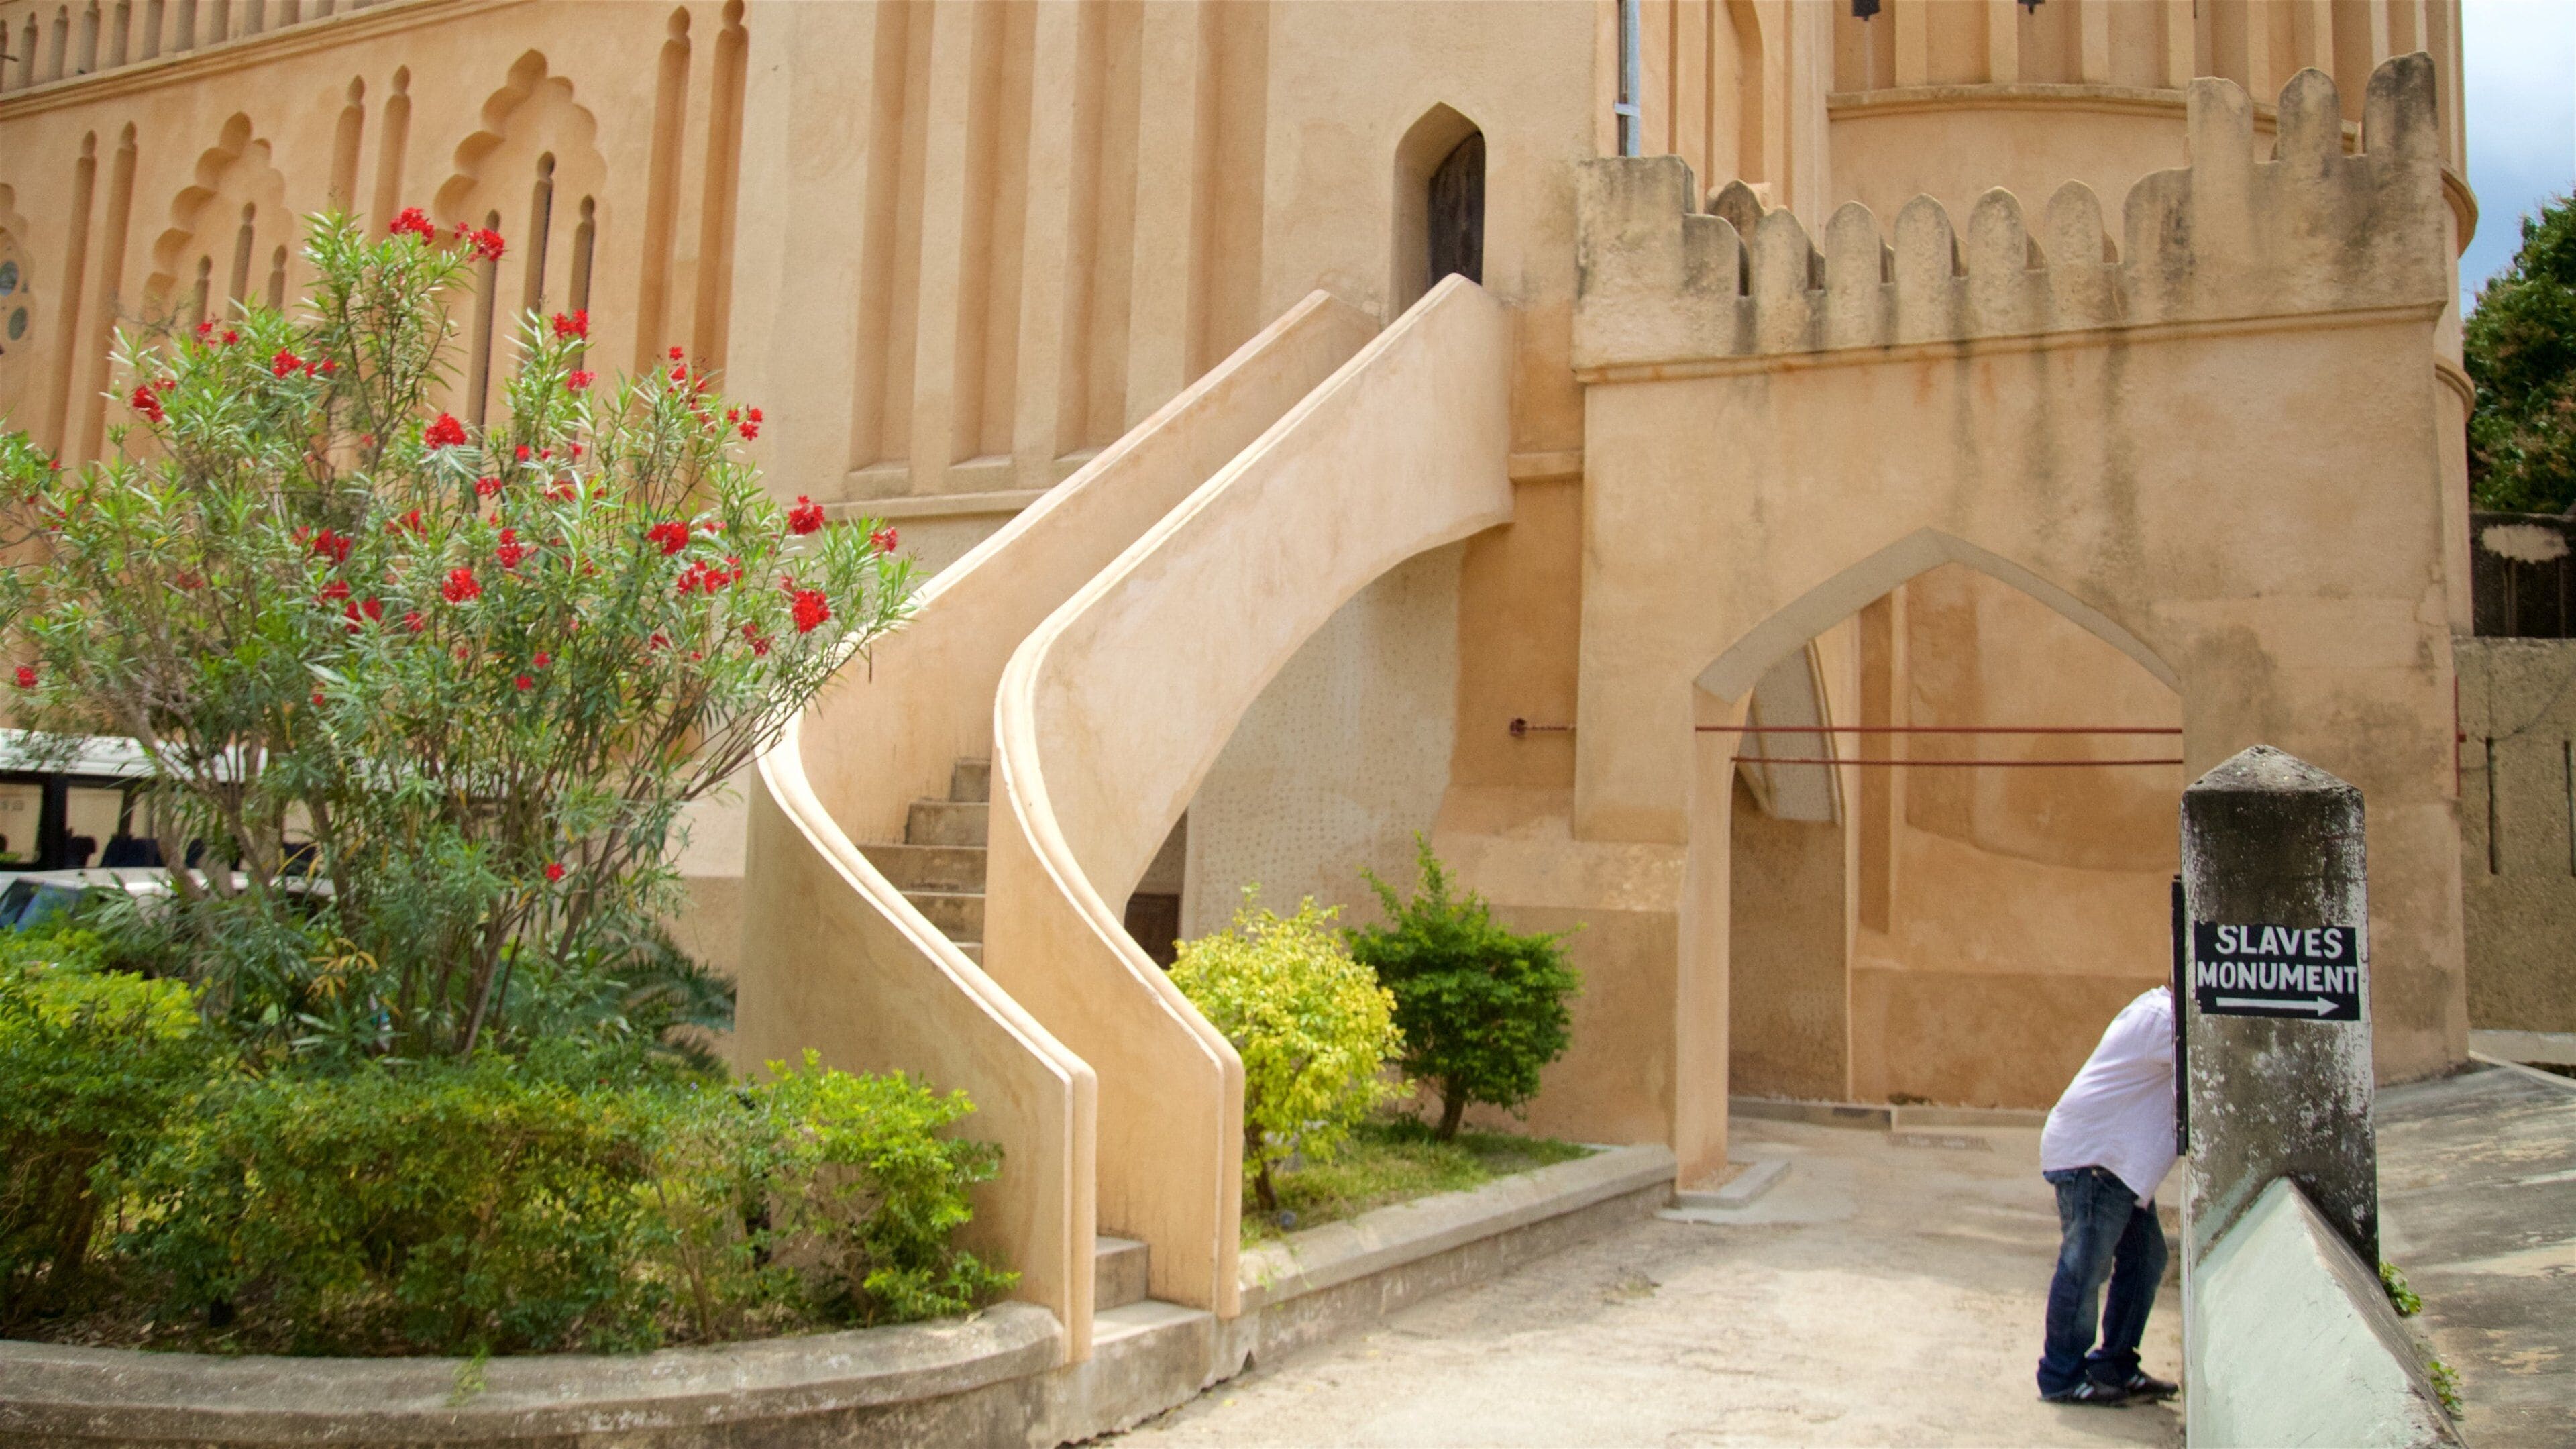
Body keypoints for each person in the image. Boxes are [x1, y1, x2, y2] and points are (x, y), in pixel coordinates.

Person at [2035, 984, 2182, 1407]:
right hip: (2097, 1160)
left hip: (2121, 1165)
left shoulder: (2164, 1016)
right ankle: (2061, 1376)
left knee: (2146, 1258)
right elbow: (2225, 1066)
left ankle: (2114, 1365)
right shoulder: (2165, 1022)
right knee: (2085, 1266)